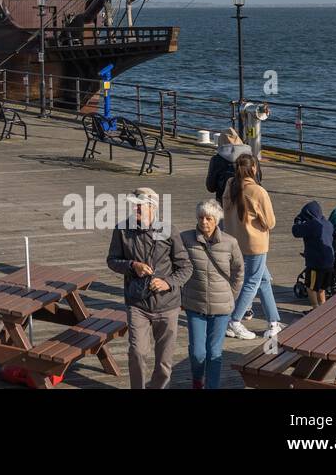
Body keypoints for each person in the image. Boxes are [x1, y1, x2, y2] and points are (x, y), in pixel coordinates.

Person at [106, 186, 192, 389]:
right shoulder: (122, 229)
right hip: (137, 303)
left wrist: (167, 282)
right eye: (133, 207)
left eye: (139, 207)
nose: (134, 211)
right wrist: (132, 266)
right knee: (137, 352)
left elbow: (186, 267)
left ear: (152, 208)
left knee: (164, 361)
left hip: (168, 305)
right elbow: (112, 260)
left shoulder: (169, 230)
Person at [181, 200, 243, 389]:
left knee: (215, 352)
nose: (204, 222)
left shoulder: (230, 242)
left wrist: (230, 295)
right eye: (201, 217)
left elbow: (238, 271)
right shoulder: (185, 238)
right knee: (198, 352)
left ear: (216, 220)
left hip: (222, 307)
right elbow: (175, 266)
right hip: (194, 305)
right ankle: (198, 380)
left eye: (209, 218)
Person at [224, 154, 282, 339]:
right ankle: (234, 320)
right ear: (254, 168)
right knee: (252, 281)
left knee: (263, 280)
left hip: (235, 240)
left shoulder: (230, 185)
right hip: (255, 244)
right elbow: (270, 222)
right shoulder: (257, 191)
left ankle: (273, 321)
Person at [291, 201, 334, 309]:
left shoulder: (312, 225)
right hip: (329, 262)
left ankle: (315, 308)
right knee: (321, 288)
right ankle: (323, 308)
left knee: (310, 287)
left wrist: (299, 220)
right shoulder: (328, 223)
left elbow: (295, 231)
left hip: (316, 264)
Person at [205, 128, 259, 204]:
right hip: (250, 198)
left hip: (225, 200)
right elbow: (258, 179)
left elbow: (211, 187)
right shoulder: (252, 158)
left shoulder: (216, 160)